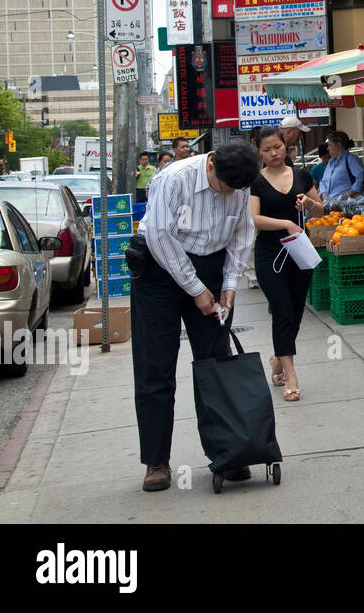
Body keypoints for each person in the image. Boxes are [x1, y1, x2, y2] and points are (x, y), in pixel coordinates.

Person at [130, 141, 260, 493]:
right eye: (225, 187)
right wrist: (196, 289)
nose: (230, 194)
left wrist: (230, 282)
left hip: (211, 265)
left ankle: (227, 452)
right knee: (155, 367)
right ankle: (156, 461)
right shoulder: (175, 178)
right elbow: (159, 235)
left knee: (216, 363)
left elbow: (243, 233)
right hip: (159, 269)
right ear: (212, 166)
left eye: (238, 190)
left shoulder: (238, 183)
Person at [249, 126, 322, 403]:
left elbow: (321, 208)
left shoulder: (302, 175)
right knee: (281, 310)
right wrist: (286, 222)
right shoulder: (255, 181)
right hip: (270, 254)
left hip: (299, 252)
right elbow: (254, 219)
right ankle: (291, 374)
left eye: (277, 147)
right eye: (266, 150)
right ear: (258, 150)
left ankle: (278, 359)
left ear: (285, 145)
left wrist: (308, 204)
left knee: (295, 312)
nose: (273, 153)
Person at [319, 131, 364, 203]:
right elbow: (323, 182)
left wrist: (346, 195)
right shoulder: (330, 162)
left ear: (338, 145)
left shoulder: (351, 159)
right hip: (330, 204)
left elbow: (360, 179)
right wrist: (325, 196)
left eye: (330, 145)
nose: (328, 148)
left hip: (347, 204)